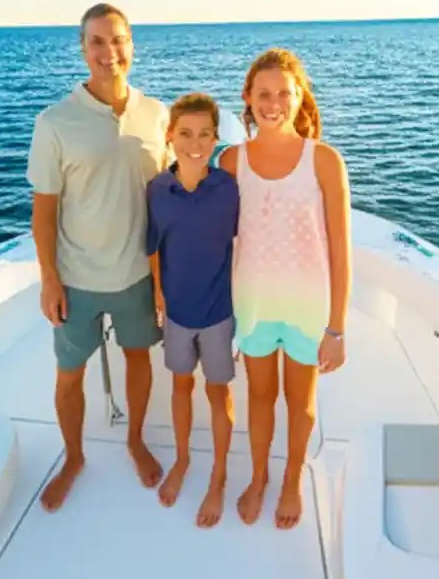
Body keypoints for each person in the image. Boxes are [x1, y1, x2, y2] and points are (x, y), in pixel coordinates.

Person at [26, 3, 169, 511]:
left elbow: (169, 200)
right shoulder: (55, 122)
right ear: (83, 49)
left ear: (132, 44)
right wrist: (49, 278)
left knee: (138, 359)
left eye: (118, 40)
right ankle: (73, 456)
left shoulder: (157, 115)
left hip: (135, 274)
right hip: (76, 278)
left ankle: (134, 439)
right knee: (70, 374)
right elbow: (43, 213)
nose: (110, 53)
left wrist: (163, 279)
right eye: (97, 42)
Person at [217, 47, 351, 530]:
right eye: (263, 94)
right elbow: (216, 238)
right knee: (259, 397)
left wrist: (336, 327)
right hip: (252, 304)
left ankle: (292, 478)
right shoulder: (232, 161)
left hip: (307, 307)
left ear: (300, 99)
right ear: (248, 100)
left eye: (284, 94)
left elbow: (340, 249)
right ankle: (258, 477)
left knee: (302, 403)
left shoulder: (325, 160)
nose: (273, 103)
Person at [146, 93, 239, 528]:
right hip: (178, 314)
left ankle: (218, 476)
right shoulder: (157, 190)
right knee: (180, 387)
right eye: (185, 133)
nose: (194, 142)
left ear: (217, 139)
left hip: (219, 312)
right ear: (170, 137)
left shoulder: (229, 187)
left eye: (204, 134)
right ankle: (183, 459)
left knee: (218, 393)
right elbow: (154, 248)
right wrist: (159, 293)